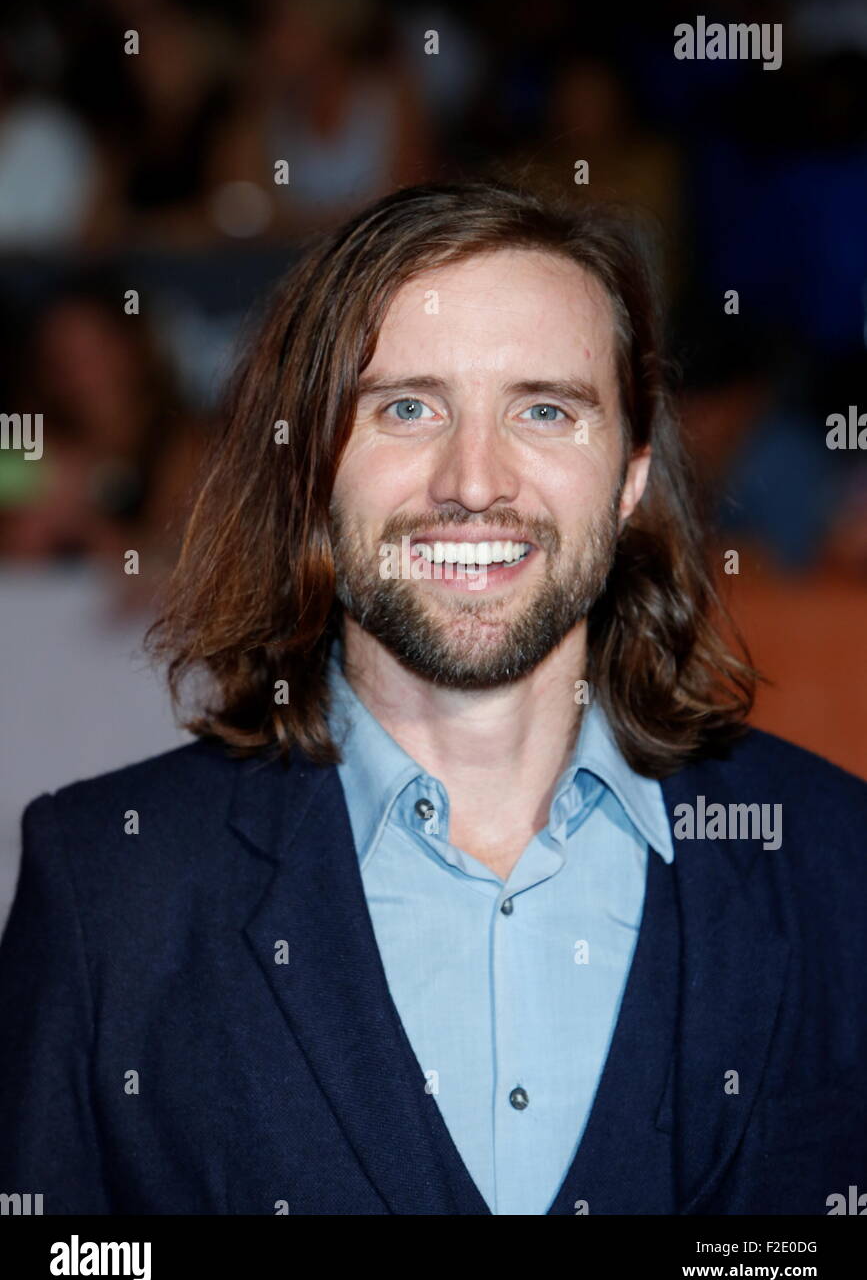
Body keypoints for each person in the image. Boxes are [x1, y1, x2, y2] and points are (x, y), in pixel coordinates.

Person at [0, 181, 864, 1216]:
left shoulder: (835, 859)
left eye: (544, 409)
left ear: (629, 480)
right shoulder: (111, 887)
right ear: (317, 462)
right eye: (408, 407)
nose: (473, 479)